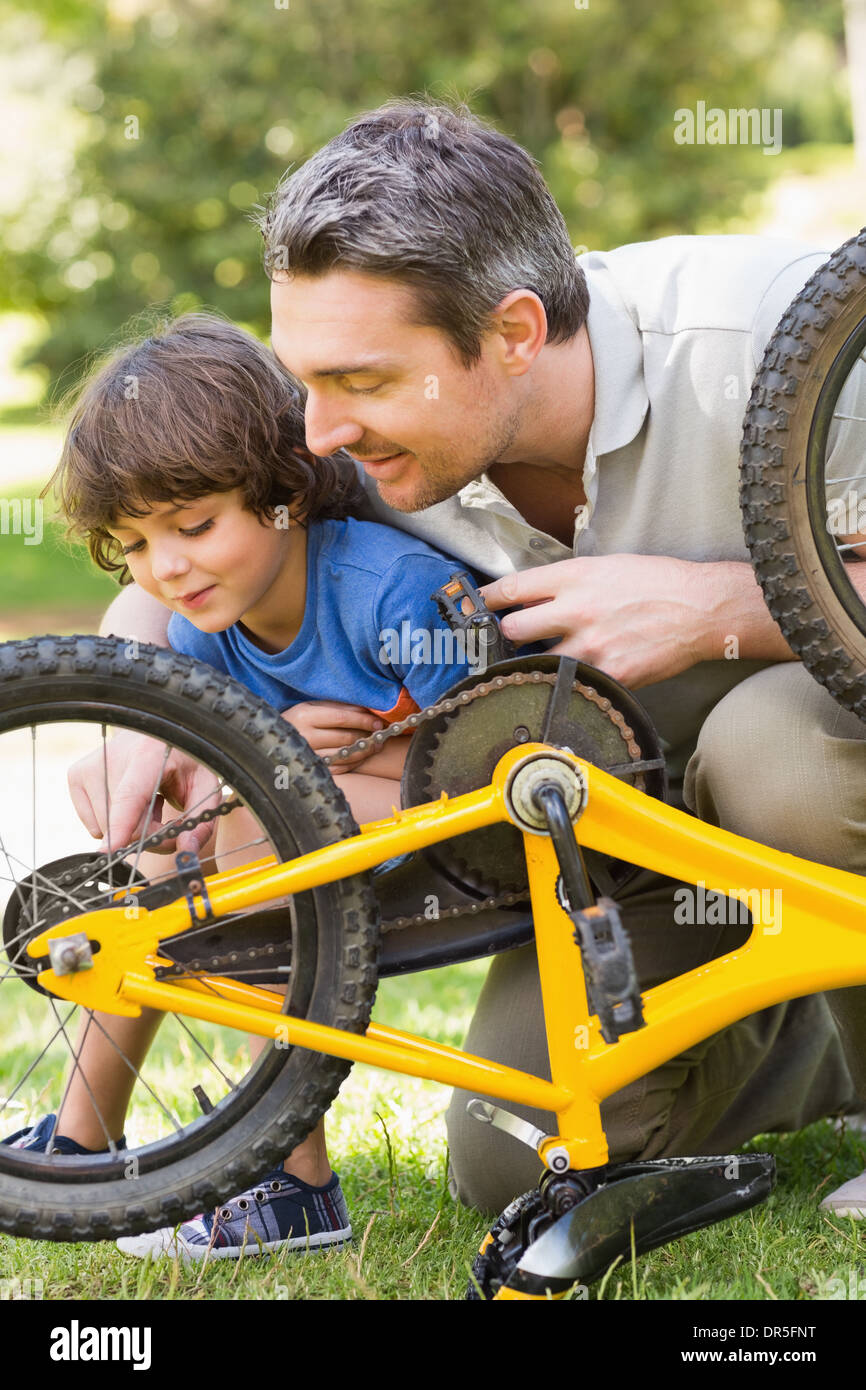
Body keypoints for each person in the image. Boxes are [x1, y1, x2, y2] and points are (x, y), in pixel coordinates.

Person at [76, 98, 866, 1221]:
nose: (315, 432)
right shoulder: (361, 442)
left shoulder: (792, 339)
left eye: (360, 382)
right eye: (305, 379)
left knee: (770, 747)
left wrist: (717, 608)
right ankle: (815, 1033)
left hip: (814, 756)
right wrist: (135, 715)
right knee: (513, 1160)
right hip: (632, 842)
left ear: (511, 334)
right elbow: (185, 566)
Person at [4, 310, 483, 1259]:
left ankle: (292, 1182)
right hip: (348, 842)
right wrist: (231, 767)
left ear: (283, 495)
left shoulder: (395, 593)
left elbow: (501, 755)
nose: (167, 568)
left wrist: (303, 761)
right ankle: (78, 1133)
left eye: (193, 526)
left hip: (485, 838)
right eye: (137, 545)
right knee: (168, 843)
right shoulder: (202, 626)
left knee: (252, 830)